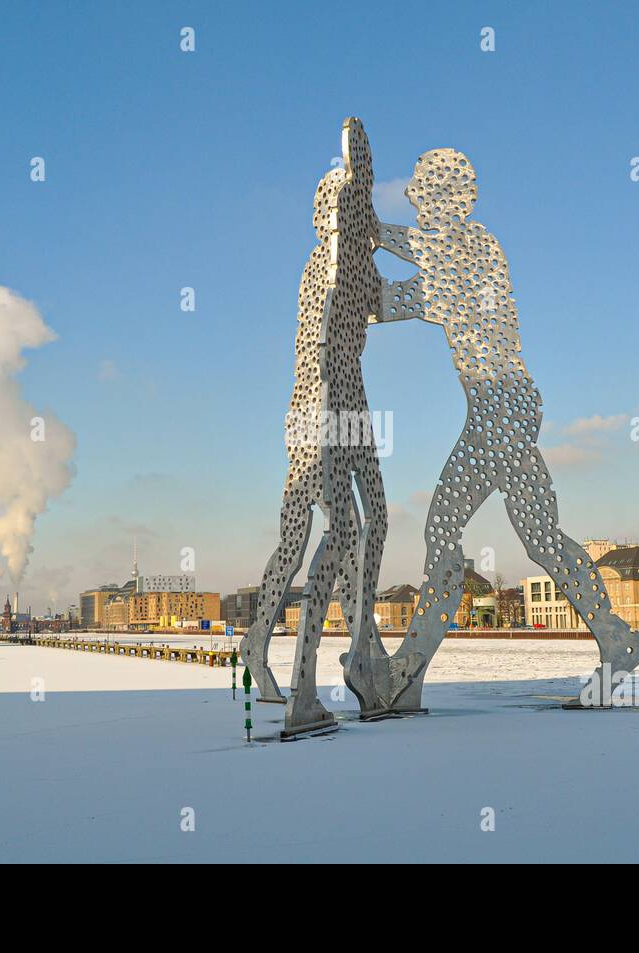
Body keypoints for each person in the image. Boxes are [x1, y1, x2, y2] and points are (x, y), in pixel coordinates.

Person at [371, 147, 639, 712]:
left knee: (442, 528)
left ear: (454, 198)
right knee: (544, 540)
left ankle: (406, 668)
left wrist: (365, 231)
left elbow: (405, 283)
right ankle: (618, 639)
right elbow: (392, 298)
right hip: (505, 406)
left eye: (426, 191)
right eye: (417, 193)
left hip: (502, 405)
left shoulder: (471, 247)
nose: (417, 200)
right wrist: (358, 255)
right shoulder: (451, 264)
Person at [238, 119, 410, 735]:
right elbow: (319, 344)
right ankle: (302, 680)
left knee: (373, 521)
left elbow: (403, 298)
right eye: (339, 210)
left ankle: (358, 651)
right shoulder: (325, 266)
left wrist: (406, 239)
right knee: (330, 532)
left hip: (351, 403)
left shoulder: (356, 266)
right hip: (322, 406)